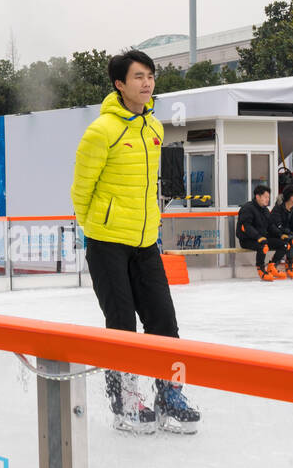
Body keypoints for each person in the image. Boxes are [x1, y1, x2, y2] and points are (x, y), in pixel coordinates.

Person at [70, 50, 199, 435]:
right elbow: (81, 190)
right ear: (119, 84)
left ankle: (169, 394)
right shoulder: (101, 131)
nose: (147, 83)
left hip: (145, 243)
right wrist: (94, 229)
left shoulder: (154, 129)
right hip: (107, 243)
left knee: (164, 321)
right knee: (122, 324)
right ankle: (124, 400)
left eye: (151, 76)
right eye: (138, 76)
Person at [237, 185, 289, 281]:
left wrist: (280, 234)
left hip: (262, 238)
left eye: (268, 197)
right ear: (257, 196)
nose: (267, 199)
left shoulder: (265, 210)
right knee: (263, 246)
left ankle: (272, 266)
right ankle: (261, 269)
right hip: (248, 240)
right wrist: (257, 237)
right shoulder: (247, 208)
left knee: (285, 245)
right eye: (265, 197)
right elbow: (246, 227)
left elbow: (270, 226)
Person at [270, 184, 293, 278]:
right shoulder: (277, 209)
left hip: (291, 234)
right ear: (292, 197)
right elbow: (278, 226)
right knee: (292, 240)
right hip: (277, 235)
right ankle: (284, 264)